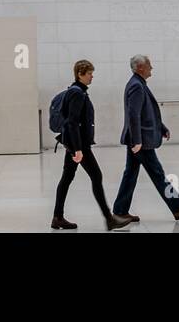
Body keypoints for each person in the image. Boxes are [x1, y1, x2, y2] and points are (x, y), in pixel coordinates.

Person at [111, 54, 179, 222]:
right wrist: (136, 141)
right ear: (140, 67)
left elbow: (146, 112)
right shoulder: (136, 85)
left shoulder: (139, 84)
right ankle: (178, 207)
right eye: (149, 64)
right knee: (157, 173)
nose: (152, 67)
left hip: (139, 139)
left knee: (130, 174)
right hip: (140, 141)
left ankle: (120, 211)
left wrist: (162, 128)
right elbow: (133, 115)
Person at [52, 60, 132, 231]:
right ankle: (109, 219)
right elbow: (72, 123)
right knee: (96, 176)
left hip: (74, 144)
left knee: (67, 179)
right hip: (79, 145)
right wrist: (78, 149)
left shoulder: (77, 91)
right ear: (80, 74)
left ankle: (57, 217)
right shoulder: (77, 93)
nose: (92, 77)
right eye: (89, 73)